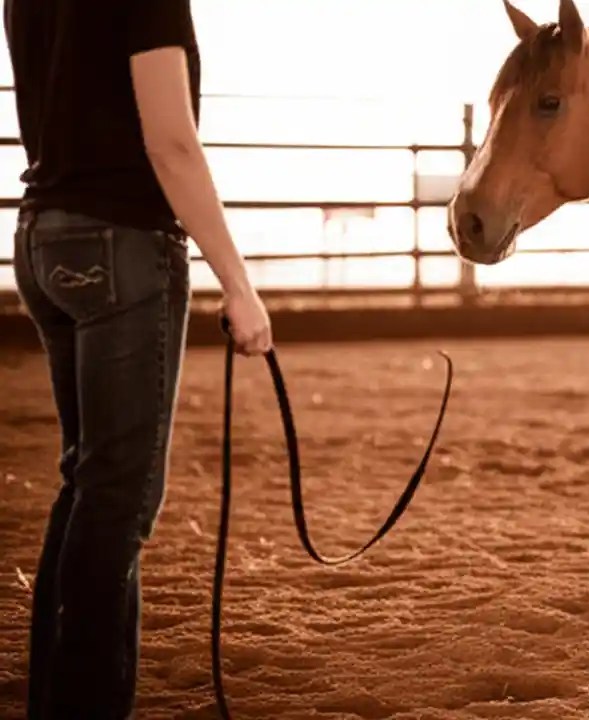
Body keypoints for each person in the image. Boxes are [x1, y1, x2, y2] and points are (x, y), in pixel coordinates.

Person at [5, 0, 273, 716]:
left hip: (42, 236)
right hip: (121, 244)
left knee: (86, 483)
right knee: (118, 500)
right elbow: (171, 143)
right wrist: (238, 282)